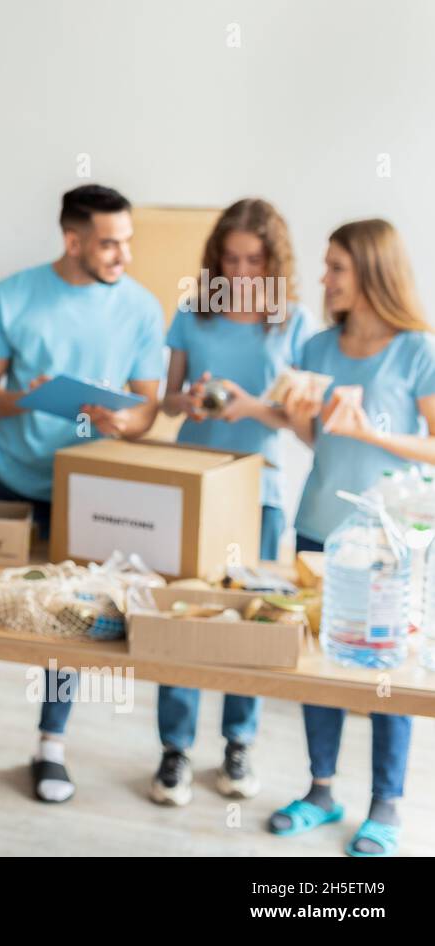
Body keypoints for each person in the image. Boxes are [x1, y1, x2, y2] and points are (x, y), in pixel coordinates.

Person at [0, 185, 164, 804]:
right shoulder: (14, 295)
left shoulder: (143, 308)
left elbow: (147, 407)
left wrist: (122, 421)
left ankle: (51, 744)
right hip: (6, 477)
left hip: (86, 486)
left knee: (70, 617)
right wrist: (29, 396)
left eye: (127, 241)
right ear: (72, 240)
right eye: (109, 243)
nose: (122, 255)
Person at [271, 218, 435, 857]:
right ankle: (320, 790)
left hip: (392, 543)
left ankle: (385, 805)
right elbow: (319, 440)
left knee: (387, 672)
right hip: (318, 527)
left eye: (336, 266)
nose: (324, 278)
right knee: (318, 665)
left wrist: (373, 432)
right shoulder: (315, 347)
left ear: (370, 272)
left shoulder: (417, 349)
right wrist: (290, 418)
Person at [149, 198, 313, 806]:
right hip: (194, 480)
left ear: (276, 261)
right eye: (231, 258)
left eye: (254, 260)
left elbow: (300, 420)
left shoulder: (292, 320)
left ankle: (238, 743)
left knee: (253, 618)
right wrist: (187, 402)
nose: (241, 272)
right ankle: (175, 749)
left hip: (261, 487)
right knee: (184, 616)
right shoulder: (194, 311)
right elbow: (166, 401)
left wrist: (251, 407)